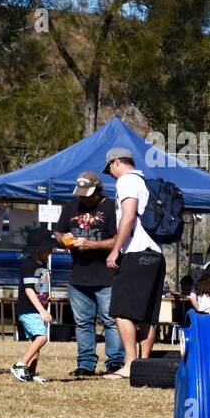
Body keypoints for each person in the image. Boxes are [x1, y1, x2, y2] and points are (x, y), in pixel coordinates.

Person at [52, 169, 124, 376]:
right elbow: (58, 230)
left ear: (98, 191)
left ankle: (115, 362)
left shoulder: (111, 208)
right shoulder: (70, 206)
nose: (85, 198)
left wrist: (91, 245)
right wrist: (63, 239)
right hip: (78, 277)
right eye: (81, 193)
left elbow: (119, 239)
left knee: (111, 321)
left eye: (89, 194)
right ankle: (85, 364)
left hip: (106, 277)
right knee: (83, 323)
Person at [102, 147, 166, 379]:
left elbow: (128, 216)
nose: (109, 174)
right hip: (156, 254)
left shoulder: (126, 181)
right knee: (147, 313)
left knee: (121, 310)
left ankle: (130, 364)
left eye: (109, 168)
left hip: (136, 252)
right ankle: (144, 366)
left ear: (117, 162)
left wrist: (115, 250)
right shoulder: (144, 181)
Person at [11, 228, 54, 383]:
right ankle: (20, 365)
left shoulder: (41, 262)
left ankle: (30, 372)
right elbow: (29, 290)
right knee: (42, 338)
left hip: (37, 308)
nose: (51, 250)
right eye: (49, 247)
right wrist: (42, 311)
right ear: (39, 248)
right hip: (29, 309)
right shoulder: (29, 264)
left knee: (36, 342)